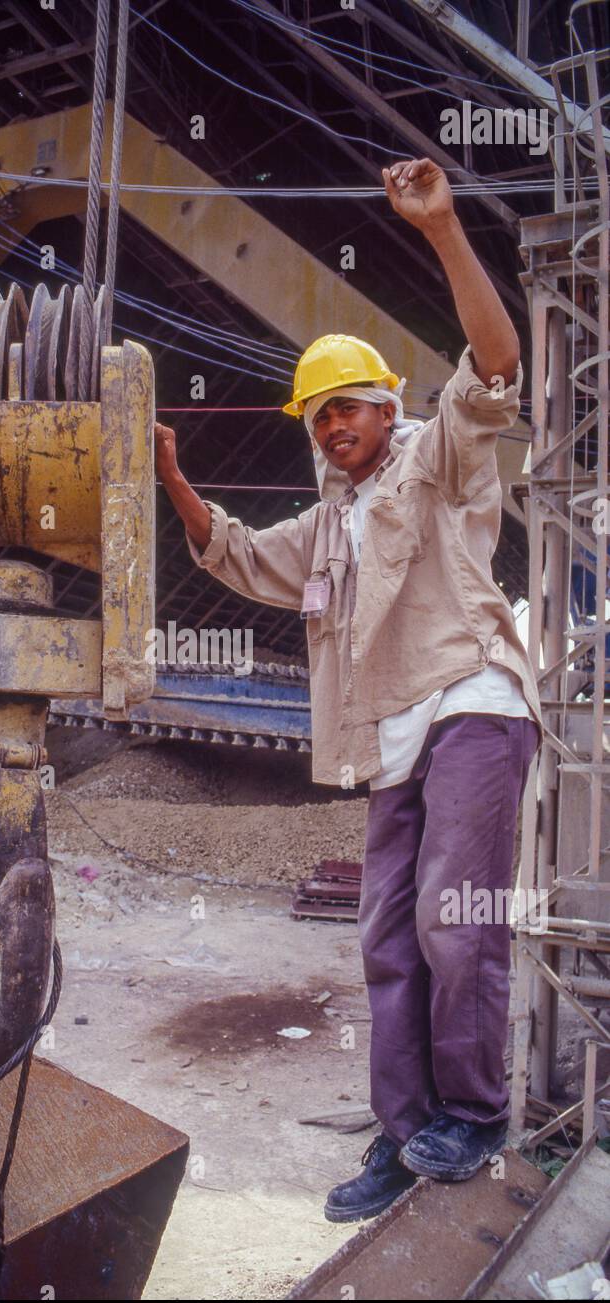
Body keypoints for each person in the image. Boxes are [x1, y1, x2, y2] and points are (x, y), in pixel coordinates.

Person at [154, 157, 543, 1222]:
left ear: (385, 405)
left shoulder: (439, 456)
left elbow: (497, 364)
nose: (331, 427)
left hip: (471, 702)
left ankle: (471, 1113)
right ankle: (402, 1129)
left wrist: (441, 230)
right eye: (316, 416)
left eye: (348, 408)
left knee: (452, 922)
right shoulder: (323, 527)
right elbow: (230, 553)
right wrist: (173, 477)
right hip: (386, 737)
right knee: (385, 936)